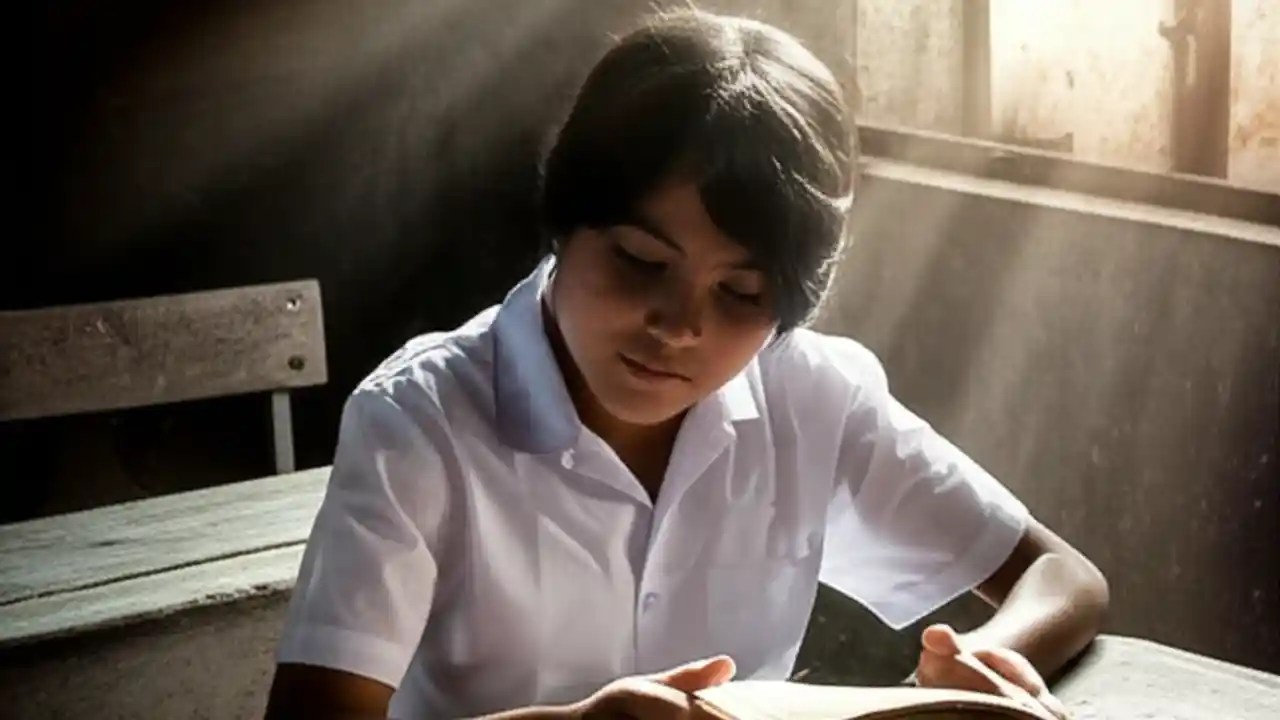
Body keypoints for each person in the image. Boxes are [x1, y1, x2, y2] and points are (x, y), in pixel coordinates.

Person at [264, 9, 1108, 720]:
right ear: (565, 222)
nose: (679, 326)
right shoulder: (421, 421)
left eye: (741, 293)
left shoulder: (809, 391)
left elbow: (1062, 577)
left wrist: (983, 666)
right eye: (639, 259)